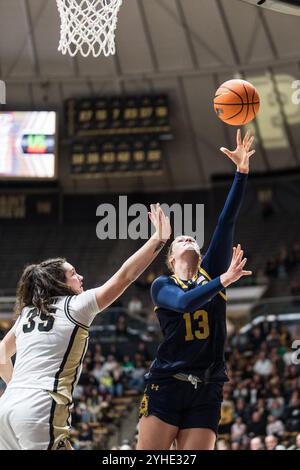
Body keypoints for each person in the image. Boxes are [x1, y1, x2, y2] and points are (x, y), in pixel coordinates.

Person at [0, 203, 171, 450]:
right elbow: (125, 276)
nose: (80, 277)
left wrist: (15, 384)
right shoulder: (76, 306)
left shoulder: (28, 313)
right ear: (58, 282)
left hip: (7, 407)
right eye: (73, 273)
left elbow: (1, 353)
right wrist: (159, 238)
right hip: (38, 407)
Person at [137, 130, 255, 451]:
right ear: (171, 257)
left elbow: (226, 221)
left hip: (208, 387)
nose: (187, 237)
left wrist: (241, 172)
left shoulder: (212, 270)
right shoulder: (163, 286)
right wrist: (223, 282)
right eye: (180, 239)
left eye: (192, 238)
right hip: (167, 384)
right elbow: (186, 304)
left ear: (201, 254)